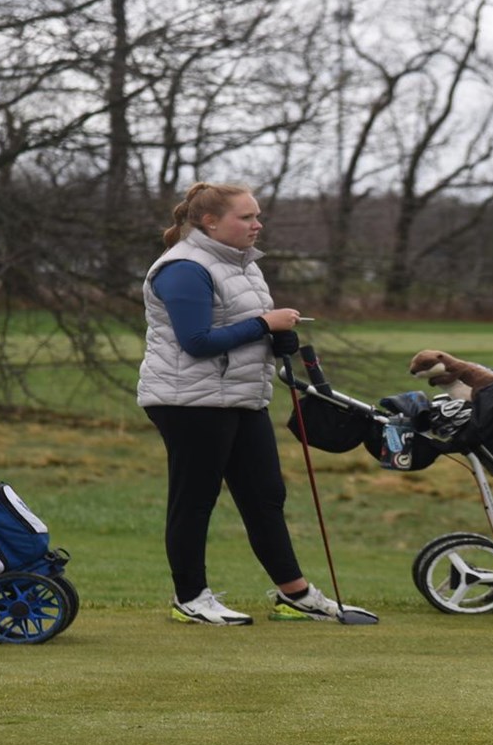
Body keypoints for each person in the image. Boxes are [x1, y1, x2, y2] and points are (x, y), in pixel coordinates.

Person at [138, 182, 378, 627]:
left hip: (240, 396)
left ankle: (296, 594)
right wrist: (263, 323)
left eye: (256, 216)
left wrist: (273, 334)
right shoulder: (184, 268)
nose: (257, 225)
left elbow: (241, 328)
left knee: (265, 495)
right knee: (194, 500)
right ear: (211, 222)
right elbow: (196, 343)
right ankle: (189, 597)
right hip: (188, 401)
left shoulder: (243, 266)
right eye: (246, 217)